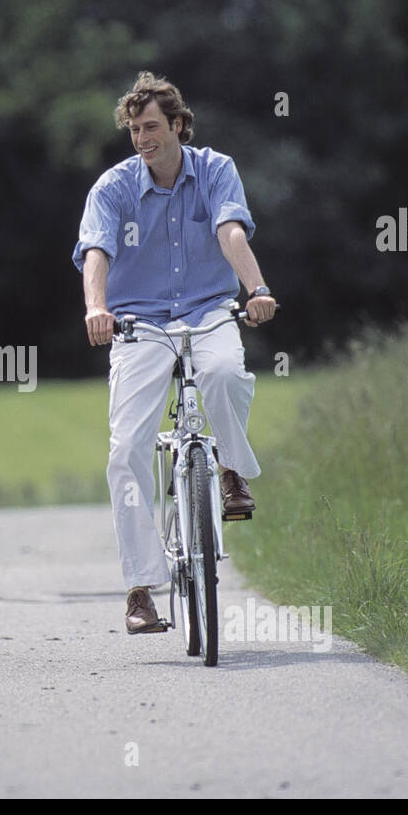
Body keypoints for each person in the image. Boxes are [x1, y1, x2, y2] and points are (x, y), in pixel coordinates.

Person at [73, 72, 277, 635]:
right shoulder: (113, 187)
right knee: (127, 448)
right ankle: (140, 588)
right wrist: (97, 307)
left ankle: (232, 469)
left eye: (153, 127)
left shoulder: (215, 169)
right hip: (138, 320)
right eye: (135, 130)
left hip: (209, 308)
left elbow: (231, 231)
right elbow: (96, 253)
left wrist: (256, 290)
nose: (143, 138)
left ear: (179, 126)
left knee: (226, 374)